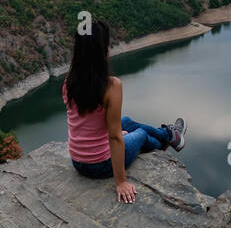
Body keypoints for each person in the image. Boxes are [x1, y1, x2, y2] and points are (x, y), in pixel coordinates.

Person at [62, 19, 186, 203]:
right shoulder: (112, 86)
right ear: (102, 50)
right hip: (100, 165)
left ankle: (169, 134)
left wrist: (116, 133)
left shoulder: (69, 83)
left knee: (125, 121)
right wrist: (121, 182)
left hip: (78, 161)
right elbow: (114, 137)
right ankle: (167, 139)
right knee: (141, 133)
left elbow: (87, 123)